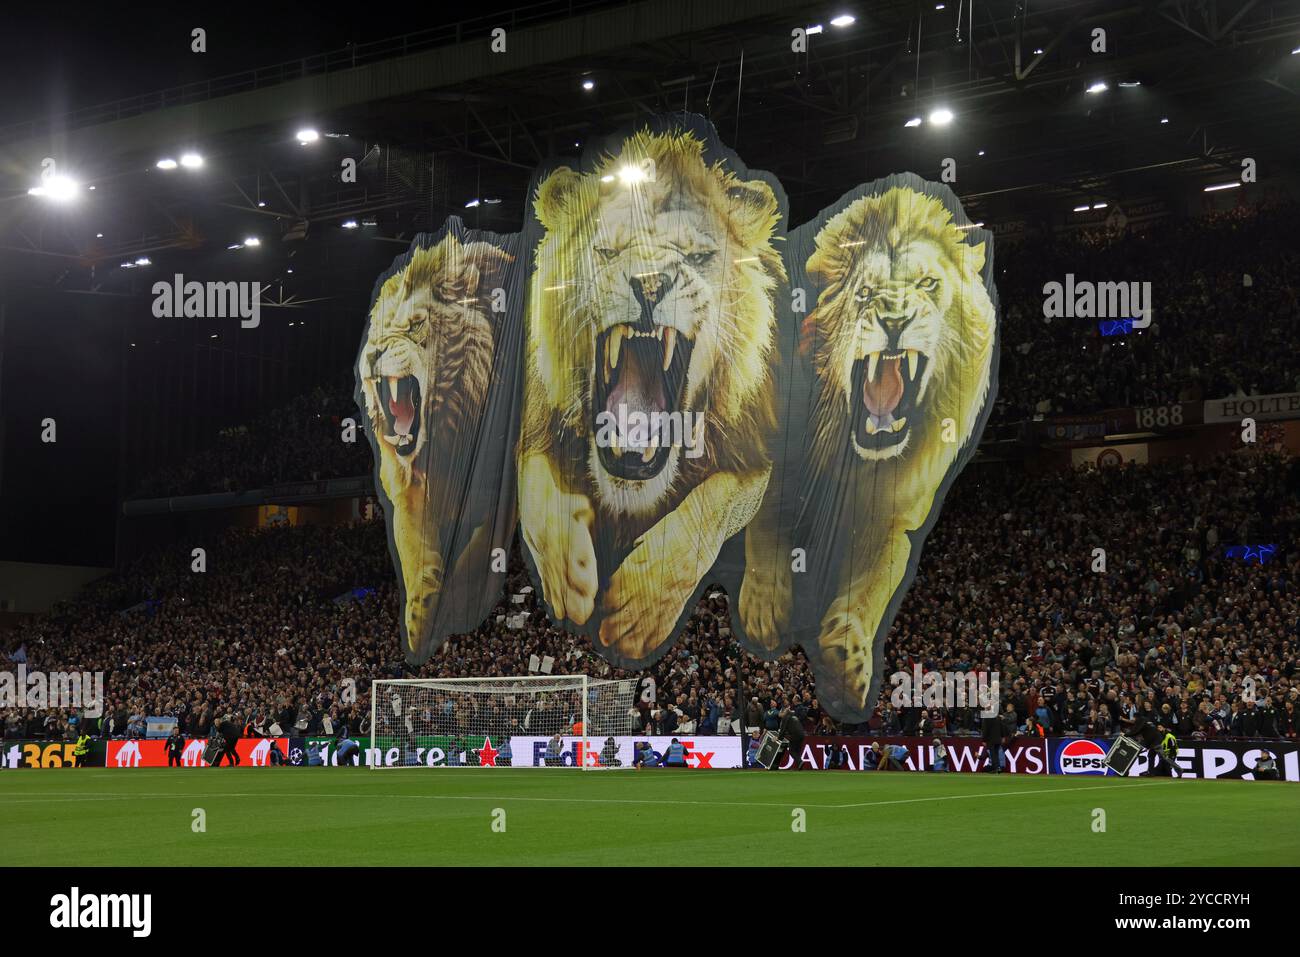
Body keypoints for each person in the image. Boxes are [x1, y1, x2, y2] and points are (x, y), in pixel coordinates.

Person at [981, 708, 1003, 774]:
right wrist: (1002, 736)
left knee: (993, 754)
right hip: (998, 739)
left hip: (991, 740)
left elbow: (985, 730)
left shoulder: (987, 718)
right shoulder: (997, 718)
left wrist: (984, 739)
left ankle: (995, 768)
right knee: (996, 754)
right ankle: (998, 767)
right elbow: (1002, 727)